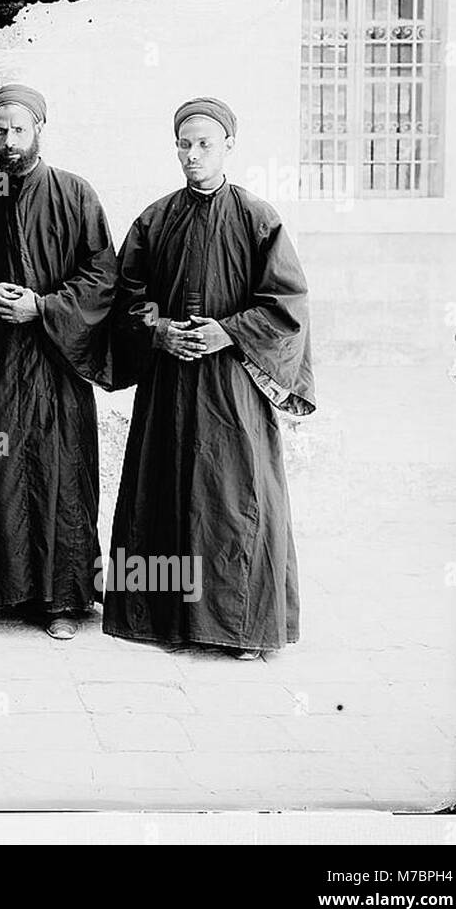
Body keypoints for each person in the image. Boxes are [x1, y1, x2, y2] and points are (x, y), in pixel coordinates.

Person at [103, 97, 315, 659]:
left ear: (227, 148)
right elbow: (126, 299)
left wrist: (227, 331)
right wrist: (160, 331)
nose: (192, 154)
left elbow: (286, 304)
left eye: (204, 144)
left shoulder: (257, 218)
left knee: (234, 495)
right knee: (166, 490)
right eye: (184, 143)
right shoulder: (154, 220)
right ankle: (166, 620)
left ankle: (241, 628)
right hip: (169, 385)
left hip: (232, 386)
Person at [0, 85, 117, 639]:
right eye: (0, 130)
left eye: (19, 129)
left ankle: (63, 600)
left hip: (55, 364)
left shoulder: (74, 193)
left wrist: (42, 306)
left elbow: (102, 275)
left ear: (39, 129)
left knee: (62, 478)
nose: (8, 141)